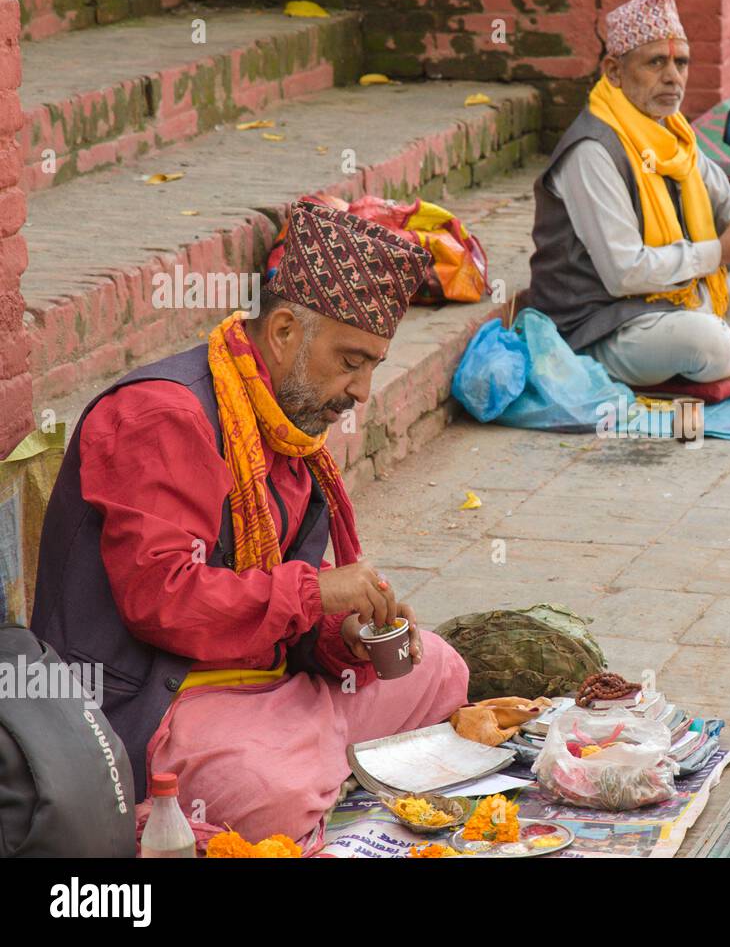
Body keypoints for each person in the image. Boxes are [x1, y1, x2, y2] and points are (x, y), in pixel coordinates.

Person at [31, 200, 470, 850]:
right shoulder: (162, 416)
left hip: (262, 686)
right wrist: (315, 594)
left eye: (373, 366)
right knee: (276, 797)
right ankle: (303, 773)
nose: (361, 392)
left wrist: (344, 634)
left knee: (438, 669)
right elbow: (163, 602)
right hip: (161, 707)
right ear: (287, 330)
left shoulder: (287, 435)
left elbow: (286, 609)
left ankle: (312, 760)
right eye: (352, 362)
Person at [524, 0, 730, 388]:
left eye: (681, 62)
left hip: (670, 302)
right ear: (613, 72)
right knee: (705, 344)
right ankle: (723, 346)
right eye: (656, 62)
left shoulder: (671, 132)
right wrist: (720, 253)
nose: (673, 77)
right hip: (600, 325)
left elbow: (726, 207)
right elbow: (625, 273)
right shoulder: (592, 151)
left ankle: (726, 342)